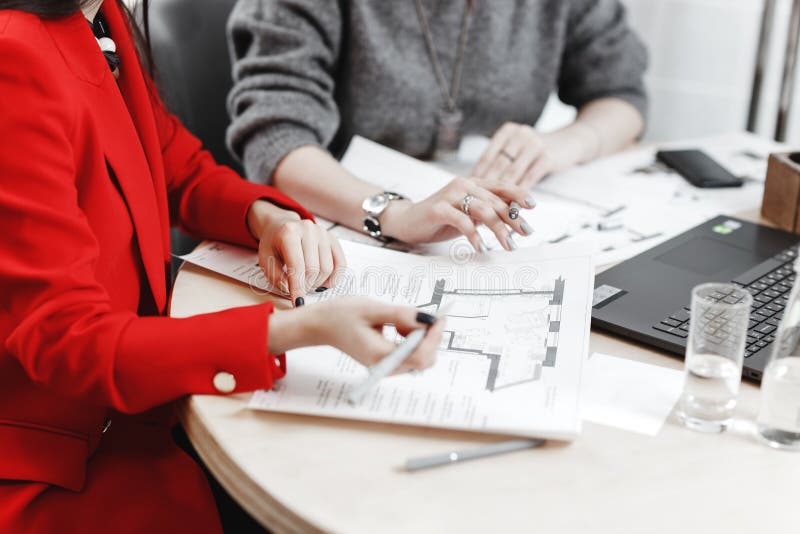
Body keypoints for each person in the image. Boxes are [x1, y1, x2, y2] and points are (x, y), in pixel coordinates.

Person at [0, 1, 444, 532]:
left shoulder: (102, 16)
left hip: (138, 415)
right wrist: (296, 330)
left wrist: (264, 218)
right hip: (56, 464)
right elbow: (68, 339)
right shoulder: (14, 56)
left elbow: (175, 165)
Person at [226, 0, 647, 249]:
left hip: (492, 219)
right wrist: (393, 213)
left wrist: (564, 143)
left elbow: (622, 95)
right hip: (342, 209)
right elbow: (277, 135)